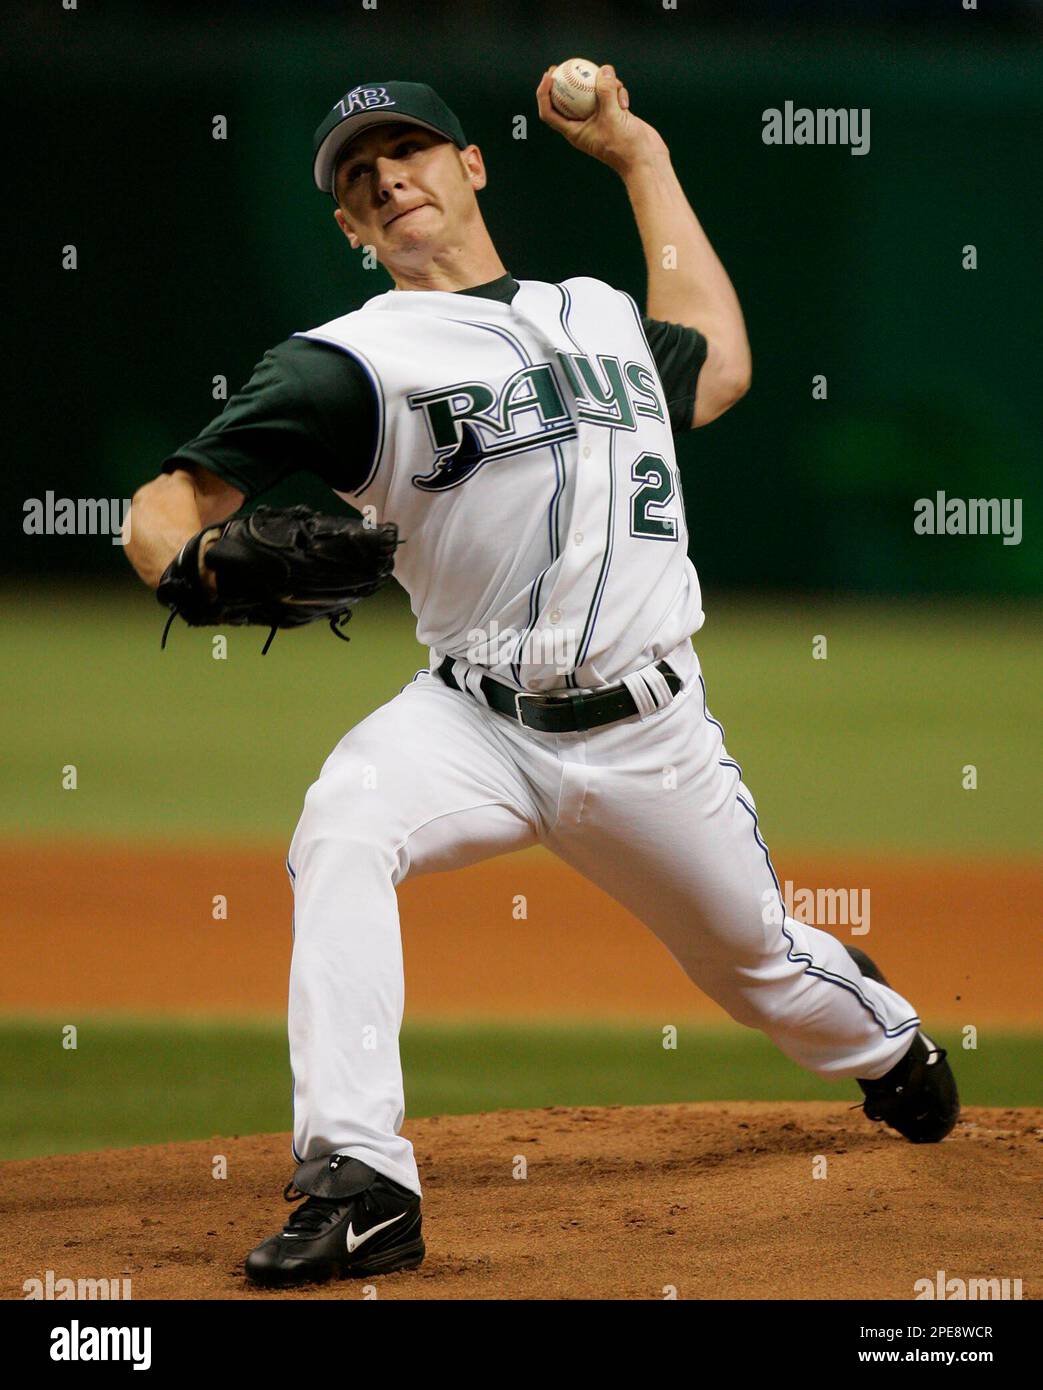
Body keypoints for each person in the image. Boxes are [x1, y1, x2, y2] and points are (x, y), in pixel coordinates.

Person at [124, 69, 958, 1288]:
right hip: (470, 717)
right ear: (351, 231)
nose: (386, 178)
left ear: (470, 167)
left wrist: (638, 156)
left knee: (762, 969)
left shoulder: (598, 312)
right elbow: (165, 501)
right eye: (359, 179)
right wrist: (187, 563)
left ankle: (881, 1040)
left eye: (407, 151)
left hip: (648, 739)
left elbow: (715, 367)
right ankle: (360, 1182)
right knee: (343, 822)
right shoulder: (345, 362)